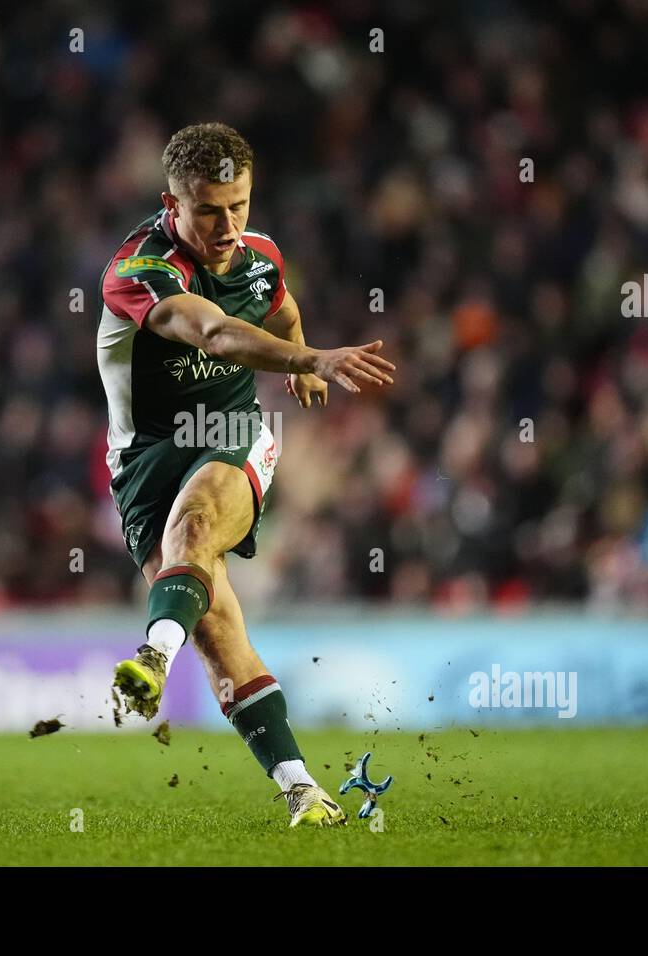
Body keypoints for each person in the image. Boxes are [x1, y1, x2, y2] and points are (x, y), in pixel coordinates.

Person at [96, 122, 395, 826]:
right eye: (208, 209)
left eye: (239, 204)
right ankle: (303, 790)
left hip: (232, 436)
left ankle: (151, 656)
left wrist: (298, 348)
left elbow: (279, 308)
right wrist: (312, 360)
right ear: (170, 203)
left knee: (198, 524)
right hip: (143, 461)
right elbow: (214, 333)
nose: (228, 224)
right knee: (220, 632)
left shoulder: (259, 256)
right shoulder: (139, 272)